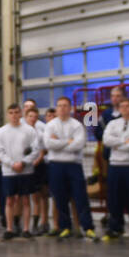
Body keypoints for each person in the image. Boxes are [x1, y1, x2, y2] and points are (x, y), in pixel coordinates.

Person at [43, 97, 96, 241]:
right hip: (55, 166)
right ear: (56, 108)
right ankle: (65, 227)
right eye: (59, 106)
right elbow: (48, 144)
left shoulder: (77, 125)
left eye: (65, 106)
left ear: (70, 108)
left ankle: (88, 228)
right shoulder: (50, 125)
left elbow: (78, 145)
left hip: (74, 166)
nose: (62, 108)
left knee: (80, 197)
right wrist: (68, 141)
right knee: (60, 198)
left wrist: (58, 142)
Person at [0, 103, 41, 239]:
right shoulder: (1, 132)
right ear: (8, 115)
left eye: (16, 112)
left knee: (26, 200)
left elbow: (35, 149)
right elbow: (0, 152)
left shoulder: (29, 130)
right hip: (9, 171)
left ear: (21, 114)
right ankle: (9, 229)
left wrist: (24, 162)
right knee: (9, 200)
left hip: (26, 171)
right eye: (11, 113)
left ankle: (26, 229)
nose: (14, 115)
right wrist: (12, 164)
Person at [102, 97, 129, 241]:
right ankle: (115, 227)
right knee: (115, 199)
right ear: (119, 109)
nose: (125, 109)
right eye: (122, 106)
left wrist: (118, 143)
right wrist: (124, 141)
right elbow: (106, 140)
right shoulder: (113, 124)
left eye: (128, 106)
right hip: (115, 166)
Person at [25, 106, 50, 235]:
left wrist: (38, 159)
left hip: (39, 166)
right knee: (31, 196)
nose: (33, 119)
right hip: (27, 166)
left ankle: (41, 223)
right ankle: (27, 224)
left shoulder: (41, 133)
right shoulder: (23, 133)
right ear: (26, 117)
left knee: (42, 195)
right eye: (30, 116)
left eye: (35, 117)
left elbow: (43, 150)